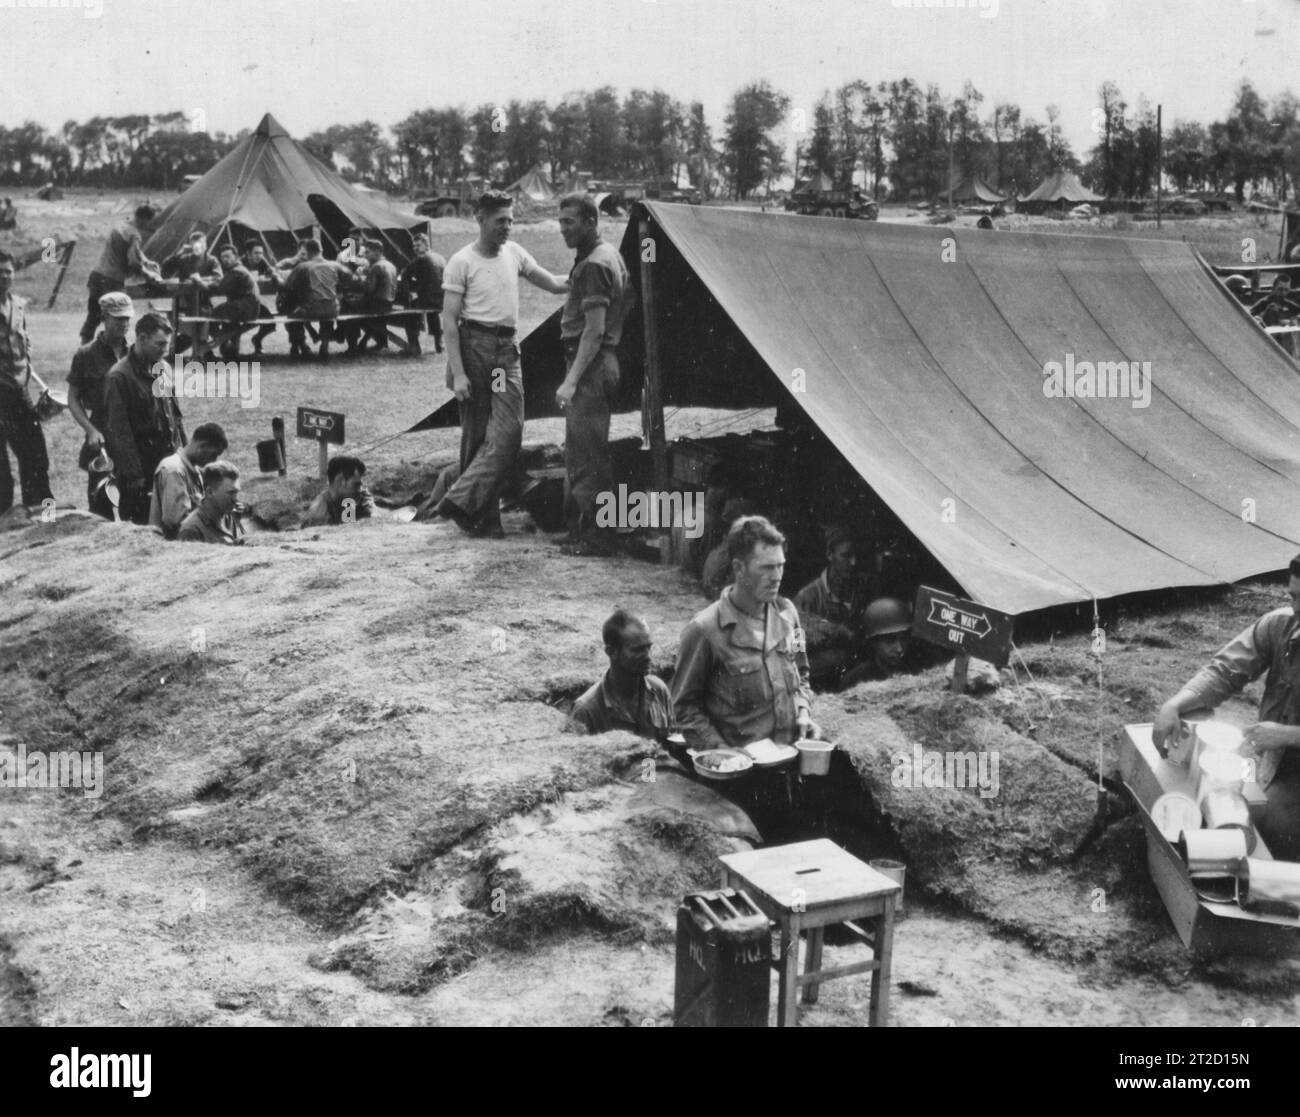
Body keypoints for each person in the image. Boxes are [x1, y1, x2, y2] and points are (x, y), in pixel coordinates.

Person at [435, 190, 569, 537]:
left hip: (505, 355)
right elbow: (449, 322)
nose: (507, 227)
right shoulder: (461, 261)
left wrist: (583, 275)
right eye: (500, 221)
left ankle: (459, 500)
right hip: (474, 349)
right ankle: (483, 519)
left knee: (507, 432)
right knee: (477, 434)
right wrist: (460, 374)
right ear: (480, 219)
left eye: (510, 220)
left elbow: (553, 283)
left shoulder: (515, 253)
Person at [1152, 556, 1300, 859]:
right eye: (1294, 596)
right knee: (1214, 797)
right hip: (1269, 761)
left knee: (1269, 830)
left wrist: (1288, 735)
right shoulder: (1280, 625)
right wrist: (1175, 703)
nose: (1297, 608)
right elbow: (1223, 672)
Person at [672, 515, 820, 750]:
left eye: (780, 565)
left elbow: (802, 672)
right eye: (767, 568)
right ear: (739, 568)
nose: (777, 576)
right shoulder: (704, 631)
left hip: (790, 760)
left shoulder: (788, 613)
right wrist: (721, 752)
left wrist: (803, 710)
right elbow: (684, 708)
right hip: (739, 776)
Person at [554, 193, 634, 555]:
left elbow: (593, 330)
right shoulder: (608, 255)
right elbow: (628, 298)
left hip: (587, 363)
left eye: (569, 222)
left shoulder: (594, 264)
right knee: (587, 449)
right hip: (601, 359)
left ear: (591, 222)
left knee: (587, 454)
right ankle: (585, 530)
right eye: (560, 222)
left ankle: (599, 537)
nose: (562, 229)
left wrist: (571, 380)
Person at [102, 312, 185, 524]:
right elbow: (119, 434)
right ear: (142, 339)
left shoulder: (163, 368)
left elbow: (175, 416)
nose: (166, 350)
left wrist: (185, 453)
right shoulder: (119, 377)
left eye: (168, 345)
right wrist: (134, 477)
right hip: (140, 474)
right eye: (160, 344)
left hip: (169, 466)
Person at [793, 525, 886, 690]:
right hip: (819, 681)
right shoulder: (808, 597)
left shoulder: (866, 588)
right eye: (846, 556)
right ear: (829, 555)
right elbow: (795, 650)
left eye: (856, 556)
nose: (853, 562)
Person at [68, 291, 134, 519]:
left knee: (132, 499)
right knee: (100, 503)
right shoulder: (85, 354)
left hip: (131, 434)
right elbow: (73, 398)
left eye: (127, 318)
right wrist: (90, 430)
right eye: (118, 318)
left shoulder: (135, 353)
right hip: (102, 434)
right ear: (104, 317)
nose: (124, 324)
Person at [0, 251, 54, 516]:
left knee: (35, 453)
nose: (5, 276)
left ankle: (41, 509)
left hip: (19, 390)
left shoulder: (19, 305)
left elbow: (25, 342)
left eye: (8, 271)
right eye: (0, 271)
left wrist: (27, 367)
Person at [567, 610, 676, 739]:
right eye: (638, 650)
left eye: (649, 648)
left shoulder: (659, 690)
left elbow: (670, 742)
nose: (648, 657)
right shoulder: (586, 712)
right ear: (611, 652)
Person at [79, 203, 157, 344]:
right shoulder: (135, 234)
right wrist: (148, 274)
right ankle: (116, 355)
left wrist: (147, 262)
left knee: (94, 315)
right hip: (112, 280)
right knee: (119, 317)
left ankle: (83, 348)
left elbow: (128, 250)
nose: (149, 225)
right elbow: (133, 260)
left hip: (96, 275)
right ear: (144, 219)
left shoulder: (119, 226)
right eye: (149, 221)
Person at [148, 422, 228, 539]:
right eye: (213, 455)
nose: (214, 460)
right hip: (172, 548)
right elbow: (176, 521)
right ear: (202, 446)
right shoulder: (174, 470)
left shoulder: (195, 470)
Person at [279, 239, 346, 359]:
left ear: (308, 252)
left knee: (291, 317)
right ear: (321, 250)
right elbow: (351, 280)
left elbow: (286, 286)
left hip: (312, 309)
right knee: (327, 307)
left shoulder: (303, 267)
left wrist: (275, 277)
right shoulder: (335, 265)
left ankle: (301, 345)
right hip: (333, 309)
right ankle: (324, 345)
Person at [162, 232, 222, 349]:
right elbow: (165, 268)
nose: (198, 247)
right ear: (190, 245)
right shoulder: (184, 259)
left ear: (205, 245)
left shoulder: (211, 260)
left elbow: (218, 278)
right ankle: (194, 346)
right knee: (185, 319)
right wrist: (179, 253)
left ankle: (202, 348)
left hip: (203, 300)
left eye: (201, 243)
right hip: (184, 300)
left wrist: (201, 279)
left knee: (207, 315)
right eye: (194, 244)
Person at [200, 244, 261, 358]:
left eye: (228, 256)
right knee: (222, 313)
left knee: (208, 314)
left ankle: (211, 345)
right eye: (223, 257)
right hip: (250, 307)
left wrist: (201, 283)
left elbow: (219, 289)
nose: (225, 260)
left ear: (236, 257)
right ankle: (225, 345)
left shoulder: (236, 271)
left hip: (246, 308)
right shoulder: (238, 269)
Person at [339, 239, 397, 354]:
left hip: (376, 305)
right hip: (387, 304)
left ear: (377, 252)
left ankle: (351, 345)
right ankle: (376, 342)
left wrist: (360, 278)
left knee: (346, 305)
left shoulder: (376, 267)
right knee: (351, 303)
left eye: (367, 252)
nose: (365, 255)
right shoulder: (390, 265)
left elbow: (368, 290)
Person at [399, 232, 446, 354]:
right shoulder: (440, 258)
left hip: (428, 300)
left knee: (408, 312)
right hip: (441, 300)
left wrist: (409, 291)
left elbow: (405, 275)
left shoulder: (421, 259)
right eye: (414, 245)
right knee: (432, 313)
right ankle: (439, 342)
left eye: (418, 245)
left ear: (426, 245)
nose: (415, 248)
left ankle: (414, 346)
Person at [178, 460, 244, 544]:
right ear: (209, 492)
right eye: (230, 493)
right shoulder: (191, 530)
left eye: (236, 492)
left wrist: (238, 523)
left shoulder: (228, 516)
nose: (236, 499)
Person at [301, 454, 374, 527]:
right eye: (356, 485)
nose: (359, 490)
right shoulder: (319, 512)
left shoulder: (349, 499)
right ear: (340, 480)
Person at [240, 241, 278, 354]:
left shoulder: (262, 261)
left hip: (253, 302)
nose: (259, 256)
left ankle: (257, 339)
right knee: (235, 327)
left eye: (261, 253)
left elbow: (272, 272)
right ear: (248, 253)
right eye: (256, 253)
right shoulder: (240, 263)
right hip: (239, 302)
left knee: (270, 323)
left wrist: (272, 275)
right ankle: (231, 346)